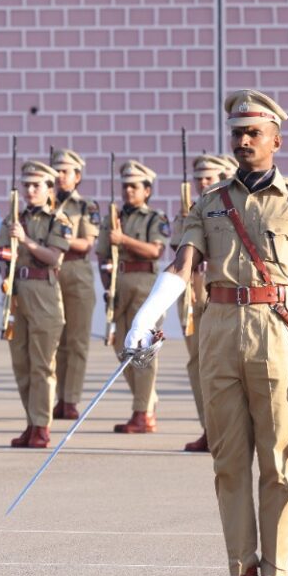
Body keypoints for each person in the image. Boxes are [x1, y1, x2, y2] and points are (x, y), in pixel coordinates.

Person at [123, 89, 288, 576]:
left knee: (277, 464)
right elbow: (182, 265)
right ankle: (241, 575)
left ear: (276, 140)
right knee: (229, 462)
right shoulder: (208, 202)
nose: (243, 141)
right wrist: (146, 317)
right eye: (238, 133)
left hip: (274, 333)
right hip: (218, 328)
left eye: (253, 133)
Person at [0, 159, 75, 449]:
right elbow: (2, 251)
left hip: (44, 291)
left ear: (48, 188)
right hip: (17, 291)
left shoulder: (58, 220)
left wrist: (27, 242)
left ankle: (42, 425)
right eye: (27, 185)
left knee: (42, 364)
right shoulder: (14, 219)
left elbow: (55, 257)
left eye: (36, 185)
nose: (30, 190)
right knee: (22, 363)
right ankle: (31, 422)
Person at [97, 159, 170, 434]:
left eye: (134, 186)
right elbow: (102, 253)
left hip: (145, 285)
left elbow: (155, 251)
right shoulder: (113, 218)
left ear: (146, 191)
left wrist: (124, 240)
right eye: (125, 186)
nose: (128, 191)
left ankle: (142, 413)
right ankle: (146, 400)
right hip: (120, 285)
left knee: (144, 351)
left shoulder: (155, 218)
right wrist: (107, 285)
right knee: (121, 349)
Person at [178, 154, 233, 453]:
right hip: (192, 291)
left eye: (209, 178)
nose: (203, 183)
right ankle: (209, 428)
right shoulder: (189, 211)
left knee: (224, 365)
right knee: (197, 364)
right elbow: (180, 250)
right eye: (200, 178)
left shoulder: (229, 210)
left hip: (220, 291)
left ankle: (230, 429)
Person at [48, 147, 100, 421]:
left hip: (76, 272)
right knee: (55, 340)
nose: (59, 176)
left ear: (77, 176)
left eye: (65, 172)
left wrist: (56, 242)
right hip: (50, 272)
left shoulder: (85, 207)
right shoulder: (45, 205)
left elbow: (86, 244)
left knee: (77, 340)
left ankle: (71, 399)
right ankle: (57, 396)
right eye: (56, 171)